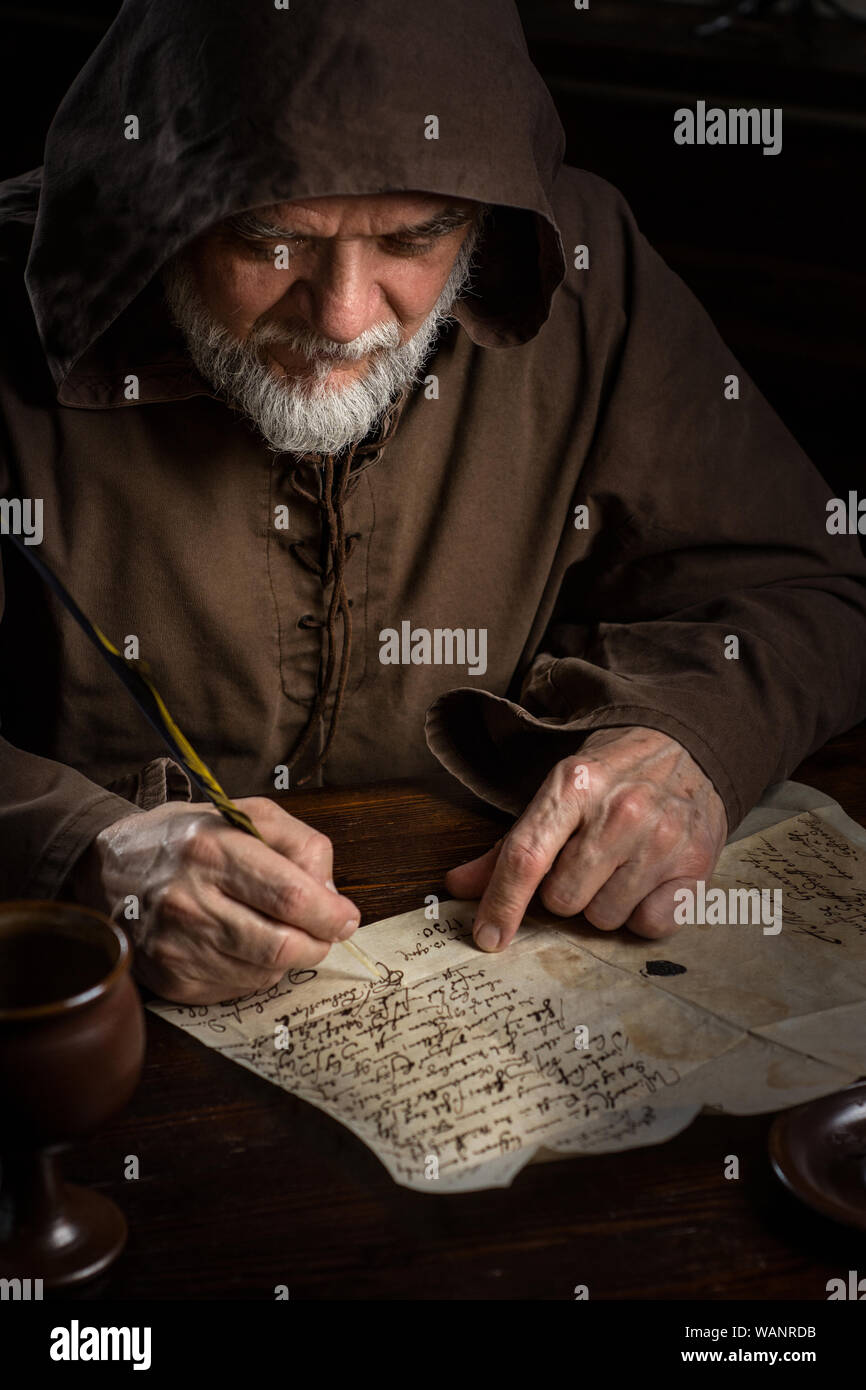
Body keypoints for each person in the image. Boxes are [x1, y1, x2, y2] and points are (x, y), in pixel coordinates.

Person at [1, 0, 864, 1004]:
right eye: (269, 235)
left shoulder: (584, 268)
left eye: (415, 237)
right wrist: (77, 852)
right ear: (164, 195)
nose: (343, 315)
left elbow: (807, 585)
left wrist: (688, 741)